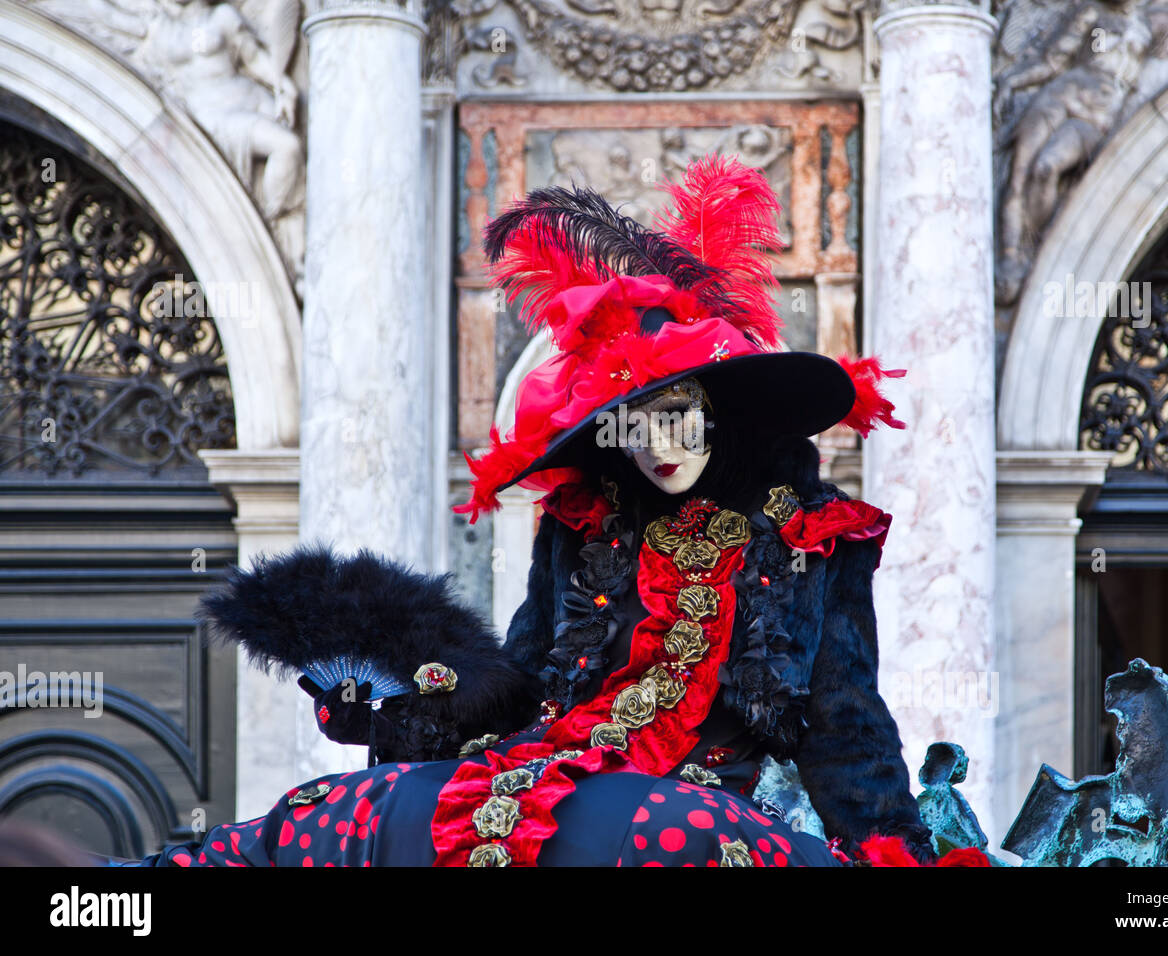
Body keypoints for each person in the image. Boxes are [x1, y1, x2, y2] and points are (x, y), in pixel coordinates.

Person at [126, 155, 974, 867]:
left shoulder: (812, 538)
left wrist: (887, 853)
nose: (659, 446)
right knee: (325, 814)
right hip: (542, 774)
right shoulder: (586, 525)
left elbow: (846, 723)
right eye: (635, 425)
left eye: (678, 417)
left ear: (725, 414)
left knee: (664, 833)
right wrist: (406, 706)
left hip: (704, 809)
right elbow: (518, 686)